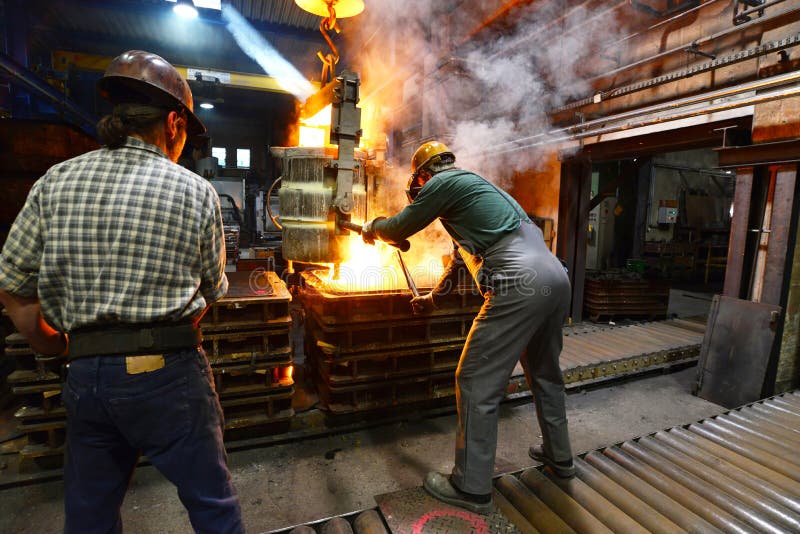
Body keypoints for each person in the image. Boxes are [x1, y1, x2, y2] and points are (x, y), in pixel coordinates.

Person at [0, 50, 244, 533]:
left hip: (87, 376)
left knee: (89, 516)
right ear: (173, 123)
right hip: (170, 378)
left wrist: (55, 343)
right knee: (212, 506)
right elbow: (213, 290)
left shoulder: (56, 182)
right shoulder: (195, 191)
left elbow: (13, 287)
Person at [362, 141, 575, 514]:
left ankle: (471, 487)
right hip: (554, 278)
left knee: (474, 379)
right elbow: (462, 264)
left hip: (520, 280)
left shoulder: (443, 183)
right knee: (545, 373)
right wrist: (432, 299)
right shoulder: (475, 197)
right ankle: (560, 457)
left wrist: (372, 228)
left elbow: (399, 226)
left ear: (423, 175)